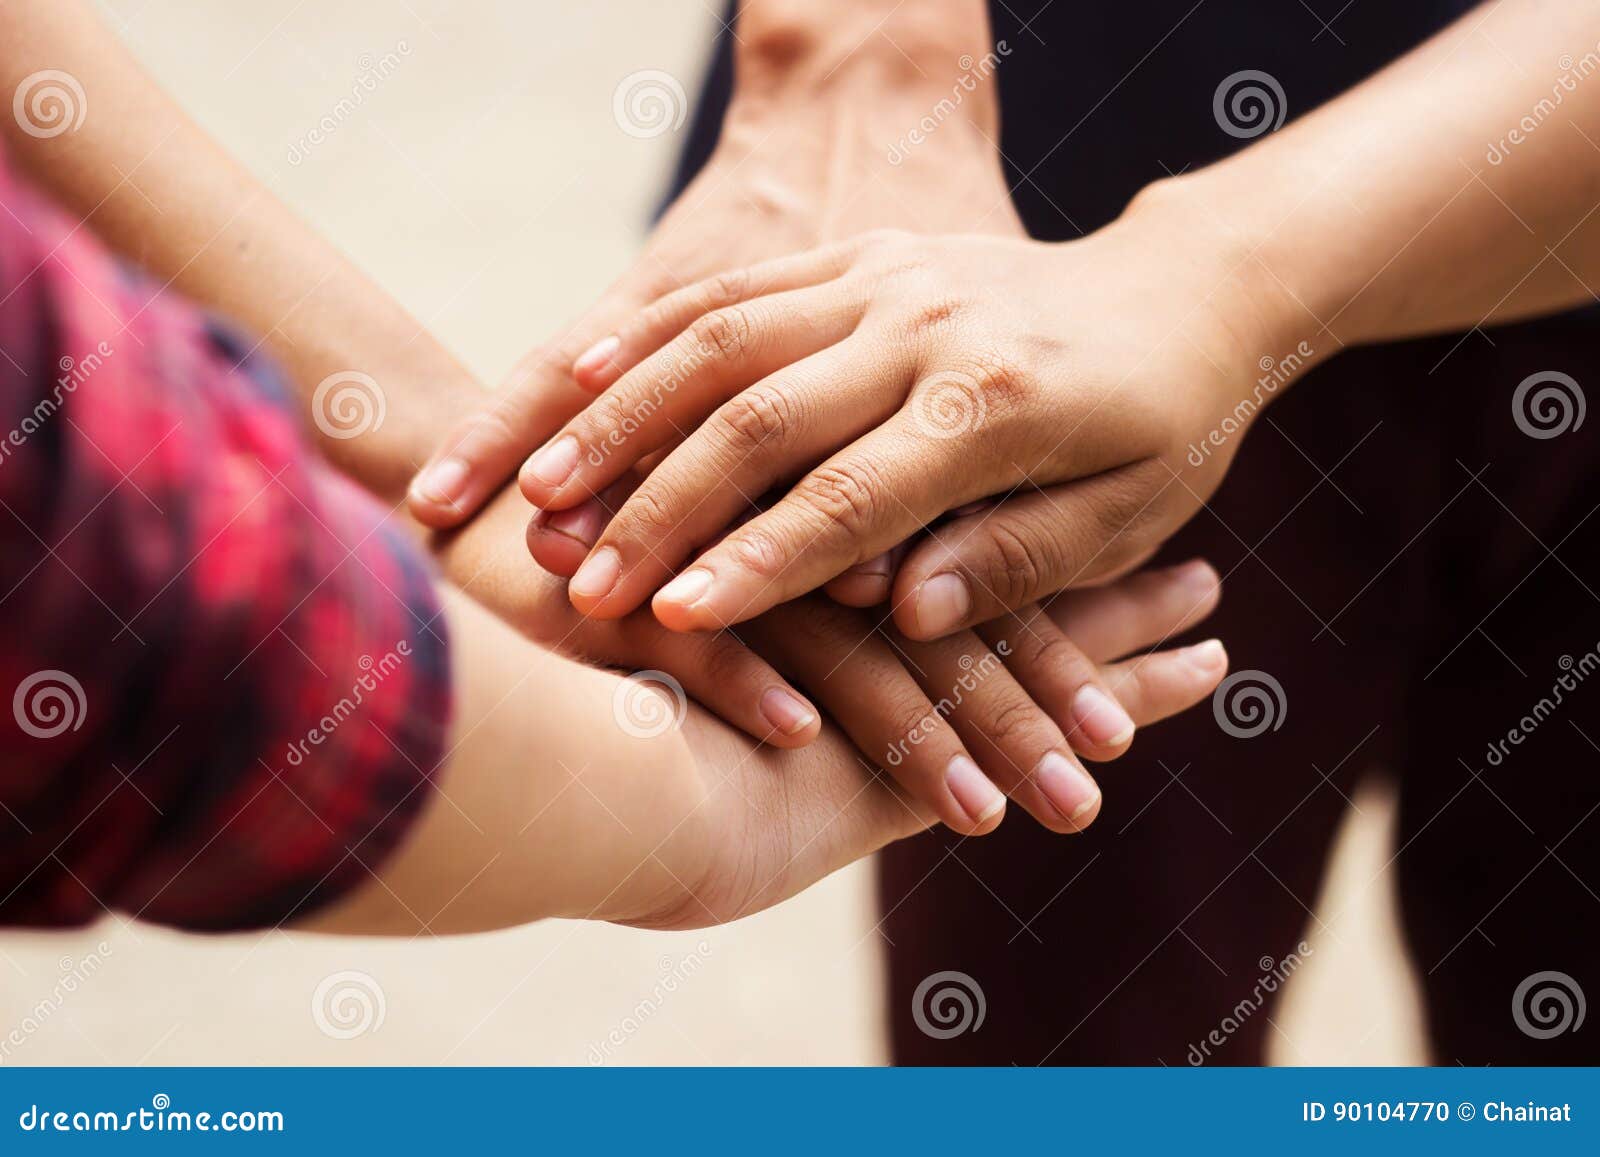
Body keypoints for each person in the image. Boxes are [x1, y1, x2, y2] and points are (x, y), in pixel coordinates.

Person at [416, 1, 1600, 1063]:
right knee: (1083, 1041)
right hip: (1039, 294)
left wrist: (1217, 271)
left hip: (1104, 298)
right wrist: (849, 41)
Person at [0, 2, 1227, 934]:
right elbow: (140, 631)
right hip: (1051, 175)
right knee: (1096, 980)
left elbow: (137, 622)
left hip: (1067, 250)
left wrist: (1224, 280)